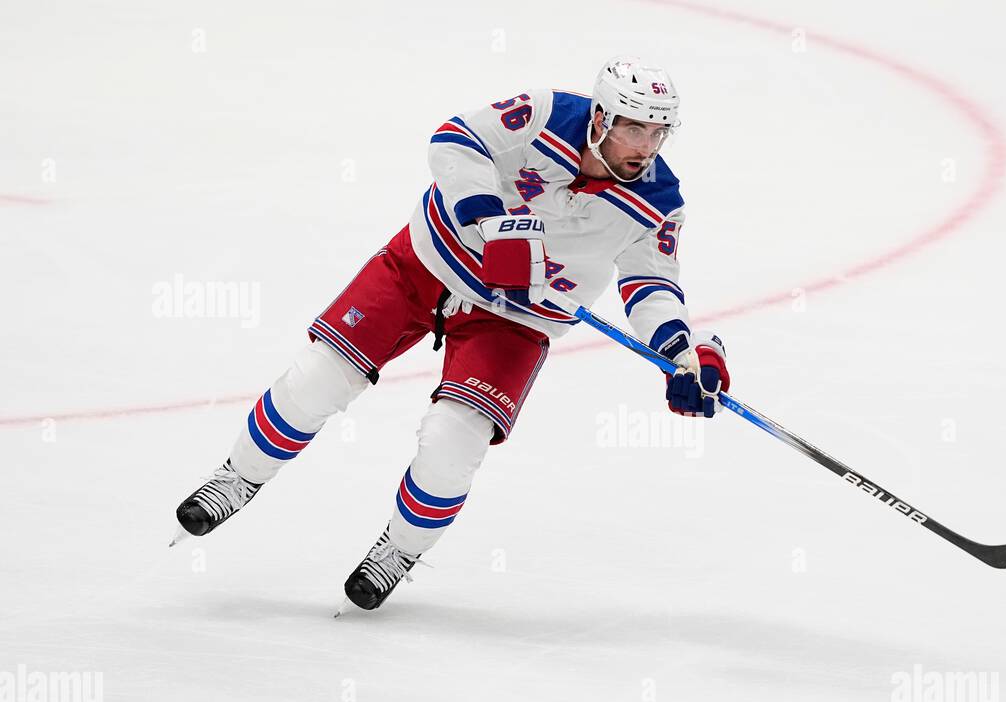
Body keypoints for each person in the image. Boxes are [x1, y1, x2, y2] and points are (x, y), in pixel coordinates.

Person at [173, 56, 730, 612]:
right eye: (636, 127)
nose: (648, 145)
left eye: (660, 130)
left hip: (516, 318)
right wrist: (491, 224)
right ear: (602, 117)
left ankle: (398, 551)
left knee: (452, 441)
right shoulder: (545, 114)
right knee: (318, 379)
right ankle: (236, 479)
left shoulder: (659, 201)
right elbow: (454, 139)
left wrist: (684, 353)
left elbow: (651, 284)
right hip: (424, 265)